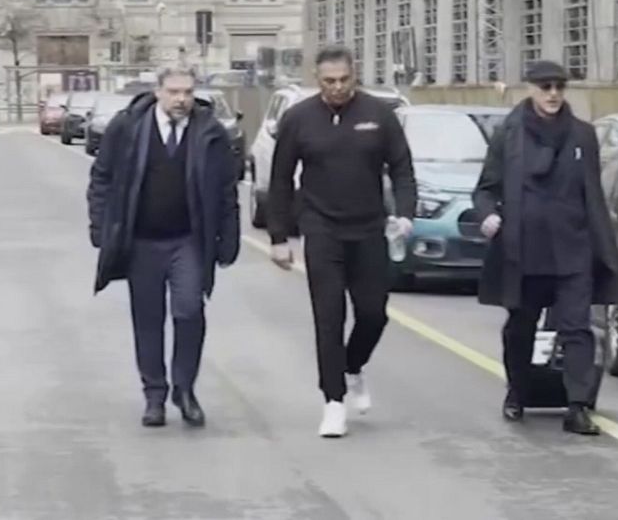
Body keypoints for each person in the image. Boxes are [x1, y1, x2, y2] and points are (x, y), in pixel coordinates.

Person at [267, 45, 416, 438]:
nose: (337, 87)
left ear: (355, 76)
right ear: (317, 80)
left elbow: (402, 168)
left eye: (344, 80)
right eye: (328, 81)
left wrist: (405, 214)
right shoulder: (299, 119)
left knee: (373, 313)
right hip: (321, 229)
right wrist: (279, 237)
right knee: (329, 317)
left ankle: (353, 366)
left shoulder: (378, 115)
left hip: (368, 229)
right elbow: (280, 179)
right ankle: (333, 401)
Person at [472, 59, 618, 436]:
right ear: (531, 89)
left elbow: (592, 194)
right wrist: (488, 216)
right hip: (524, 250)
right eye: (545, 87)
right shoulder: (509, 133)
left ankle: (577, 406)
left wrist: (602, 244)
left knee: (577, 328)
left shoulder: (583, 135)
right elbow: (486, 189)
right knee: (520, 328)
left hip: (573, 248)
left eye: (559, 87)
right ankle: (517, 391)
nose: (553, 94)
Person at [86, 66, 240, 428]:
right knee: (148, 319)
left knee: (189, 311)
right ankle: (154, 395)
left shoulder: (210, 133)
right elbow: (102, 178)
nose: (181, 99)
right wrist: (100, 227)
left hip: (188, 240)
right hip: (142, 241)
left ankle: (184, 389)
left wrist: (228, 238)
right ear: (157, 91)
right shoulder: (128, 127)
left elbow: (226, 190)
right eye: (173, 91)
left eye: (187, 92)